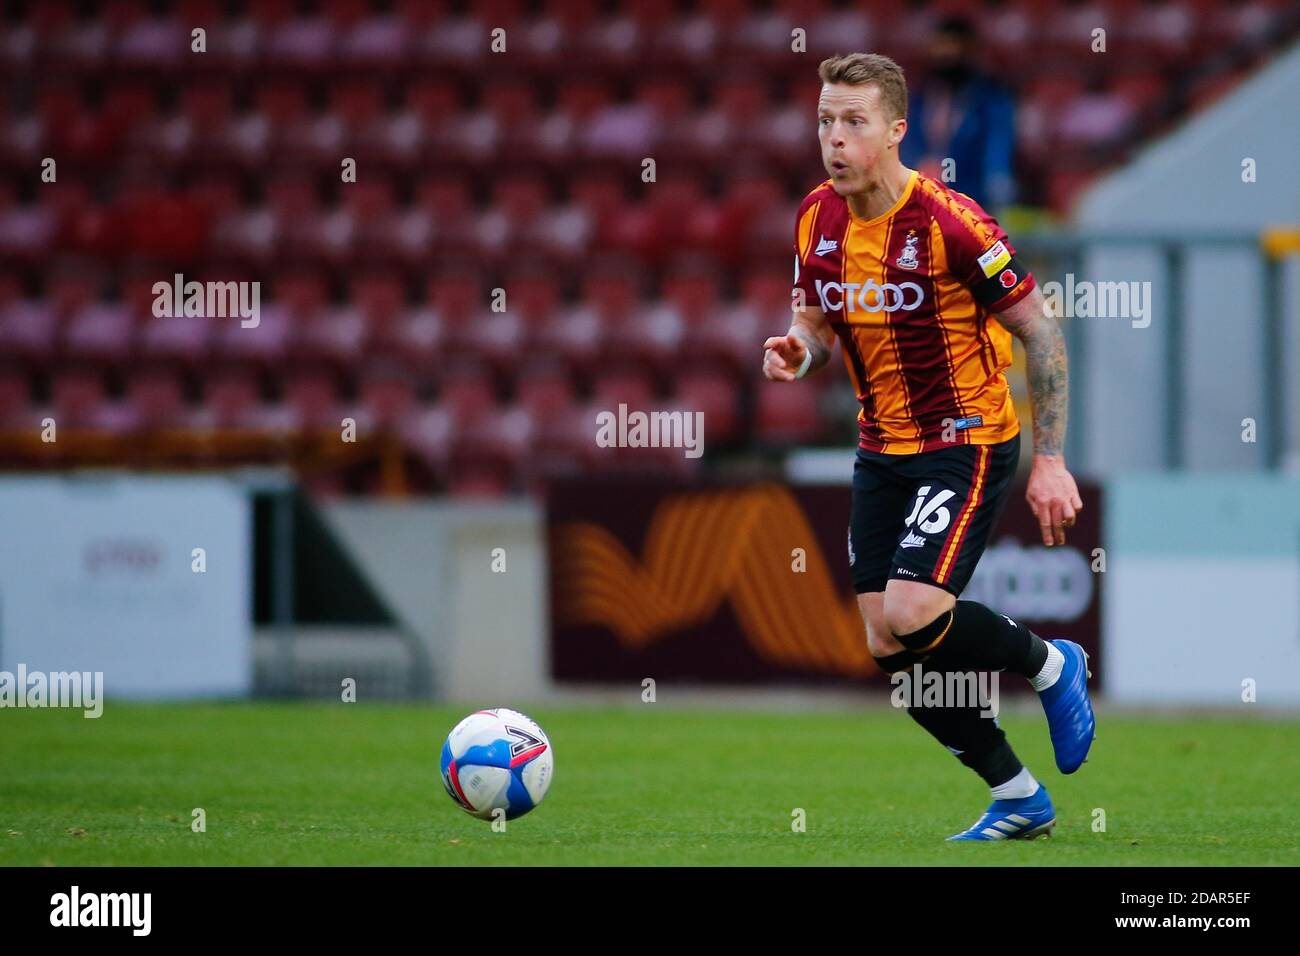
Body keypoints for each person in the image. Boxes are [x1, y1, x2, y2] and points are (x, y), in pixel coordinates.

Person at [762, 53, 1093, 841]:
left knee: (914, 610)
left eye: (853, 122)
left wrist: (1050, 459)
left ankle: (1052, 665)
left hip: (967, 436)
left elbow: (1041, 334)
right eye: (823, 122)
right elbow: (815, 317)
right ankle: (1017, 795)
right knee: (886, 640)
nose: (833, 140)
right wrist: (798, 352)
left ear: (896, 131)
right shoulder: (815, 218)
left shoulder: (952, 222)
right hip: (881, 446)